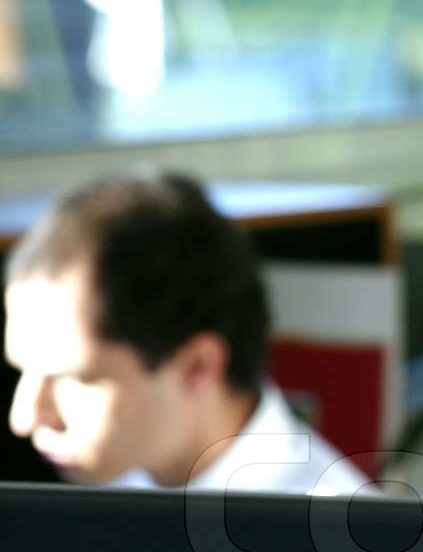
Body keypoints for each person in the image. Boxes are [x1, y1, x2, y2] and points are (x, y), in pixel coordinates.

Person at [4, 170, 369, 495]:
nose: (24, 418)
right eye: (23, 371)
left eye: (74, 379)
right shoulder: (117, 475)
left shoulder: (335, 551)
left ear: (198, 366)